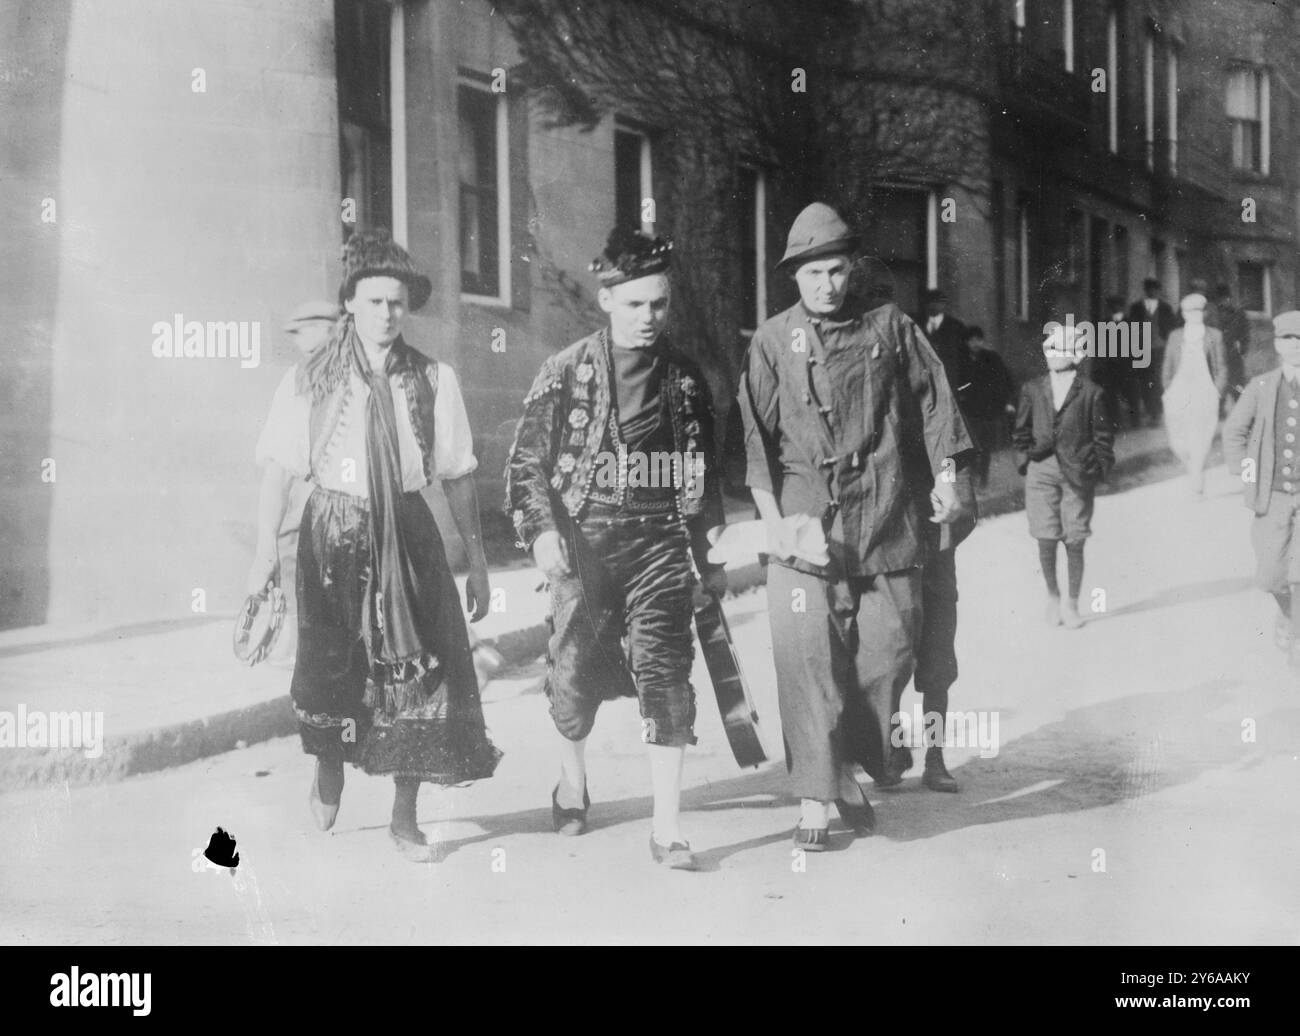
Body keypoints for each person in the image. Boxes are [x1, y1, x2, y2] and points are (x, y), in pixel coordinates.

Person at [248, 231, 501, 862]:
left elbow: (460, 478)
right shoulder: (310, 380)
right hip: (331, 530)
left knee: (422, 674)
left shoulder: (435, 380)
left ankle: (406, 816)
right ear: (351, 305)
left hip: (409, 538)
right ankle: (329, 762)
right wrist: (261, 560)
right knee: (331, 665)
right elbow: (279, 473)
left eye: (397, 303)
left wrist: (476, 563)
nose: (387, 314)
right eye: (374, 301)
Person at [739, 202, 971, 848]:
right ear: (795, 277)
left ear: (852, 270)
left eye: (837, 271)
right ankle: (818, 792)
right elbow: (754, 441)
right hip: (803, 524)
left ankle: (845, 761)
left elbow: (935, 402)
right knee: (806, 658)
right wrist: (773, 523)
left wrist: (949, 479)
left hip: (885, 514)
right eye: (813, 275)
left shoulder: (890, 328)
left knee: (888, 654)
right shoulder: (771, 340)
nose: (827, 286)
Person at [504, 227, 727, 871]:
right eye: (633, 305)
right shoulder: (565, 371)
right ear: (606, 300)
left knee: (665, 672)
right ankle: (572, 782)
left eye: (658, 304)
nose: (648, 318)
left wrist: (706, 558)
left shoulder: (686, 378)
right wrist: (542, 534)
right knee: (574, 677)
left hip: (659, 543)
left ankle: (667, 828)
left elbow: (705, 474)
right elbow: (526, 464)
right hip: (583, 542)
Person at [1014, 324, 1115, 629]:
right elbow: (1020, 430)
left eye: (1060, 350)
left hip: (1077, 472)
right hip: (1041, 469)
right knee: (1045, 536)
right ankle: (1053, 597)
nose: (1053, 356)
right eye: (1050, 350)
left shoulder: (1091, 392)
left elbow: (1103, 439)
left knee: (1075, 538)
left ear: (1076, 354)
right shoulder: (1032, 389)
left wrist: (1097, 471)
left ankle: (1072, 603)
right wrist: (1025, 461)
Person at [1222, 310, 1300, 671]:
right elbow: (1234, 432)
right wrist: (1246, 471)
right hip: (1274, 495)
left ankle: (1297, 641)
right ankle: (1286, 616)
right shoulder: (1262, 386)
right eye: (1287, 339)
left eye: (1299, 339)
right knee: (1271, 574)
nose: (1294, 346)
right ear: (1277, 345)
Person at [268, 301, 340, 668]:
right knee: (289, 550)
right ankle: (296, 639)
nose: (305, 341)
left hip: (347, 490)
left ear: (335, 328)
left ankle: (468, 649)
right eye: (299, 334)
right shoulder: (299, 377)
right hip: (308, 485)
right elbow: (283, 448)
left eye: (315, 329)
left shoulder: (354, 372)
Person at [1162, 293, 1230, 497]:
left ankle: (1197, 477)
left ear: (1205, 312)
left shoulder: (1214, 335)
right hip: (1179, 389)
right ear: (1184, 314)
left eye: (1200, 310)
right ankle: (1192, 464)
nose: (1196, 315)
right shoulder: (1175, 335)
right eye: (1191, 311)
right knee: (1177, 439)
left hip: (1204, 389)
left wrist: (1217, 392)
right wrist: (1167, 387)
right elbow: (1168, 363)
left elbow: (1222, 366)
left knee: (1201, 435)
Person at [964, 325, 1016, 489]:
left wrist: (1007, 402)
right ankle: (973, 474)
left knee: (985, 446)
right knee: (971, 445)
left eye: (978, 340)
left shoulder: (992, 358)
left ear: (982, 341)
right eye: (971, 340)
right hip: (969, 410)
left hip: (988, 410)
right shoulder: (962, 359)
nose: (975, 343)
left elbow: (1005, 380)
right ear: (966, 342)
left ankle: (983, 479)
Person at [1127, 278, 1178, 423]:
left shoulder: (1165, 308)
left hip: (1160, 348)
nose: (1152, 291)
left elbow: (1172, 328)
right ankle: (1150, 410)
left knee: (1158, 380)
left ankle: (1156, 412)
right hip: (1142, 350)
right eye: (1149, 289)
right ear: (1146, 290)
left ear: (1158, 290)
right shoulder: (1136, 307)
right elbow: (1131, 328)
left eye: (1155, 289)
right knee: (1144, 381)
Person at [1215, 283, 1251, 405]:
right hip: (1218, 354)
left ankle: (1240, 408)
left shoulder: (1238, 313)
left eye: (1226, 298)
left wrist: (1243, 350)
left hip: (1233, 353)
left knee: (1237, 383)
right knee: (1219, 382)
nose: (1224, 301)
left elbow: (1245, 333)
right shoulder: (1214, 314)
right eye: (1221, 299)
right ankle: (1219, 409)